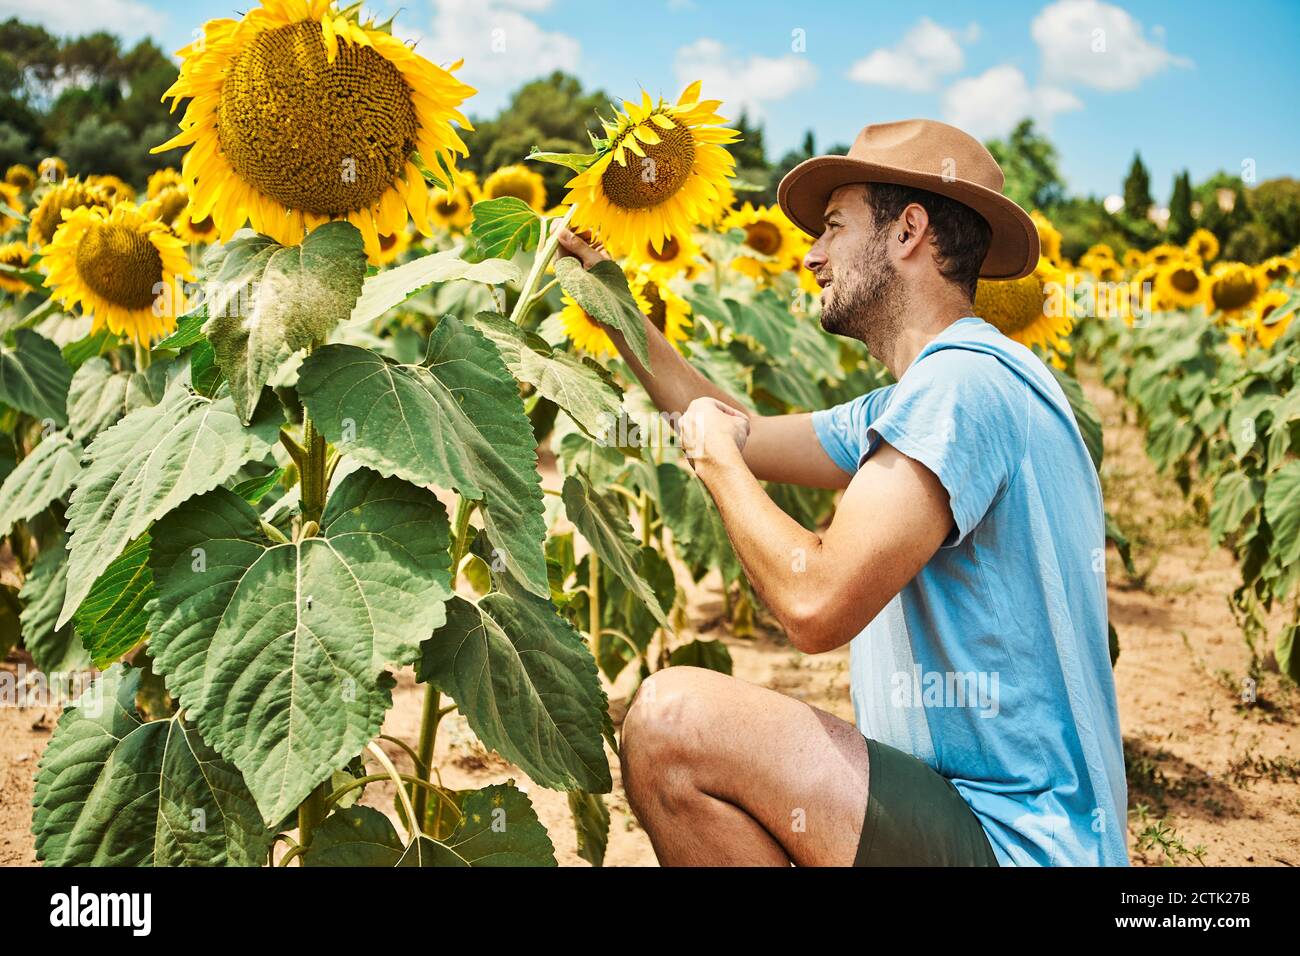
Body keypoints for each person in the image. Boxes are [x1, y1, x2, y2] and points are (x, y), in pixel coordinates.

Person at [554, 118, 1129, 867]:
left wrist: (716, 463)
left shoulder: (957, 389)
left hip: (1014, 846)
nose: (813, 256)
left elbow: (815, 603)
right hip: (985, 826)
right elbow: (743, 427)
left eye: (833, 227)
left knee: (671, 723)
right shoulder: (938, 393)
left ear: (908, 232)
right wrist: (619, 309)